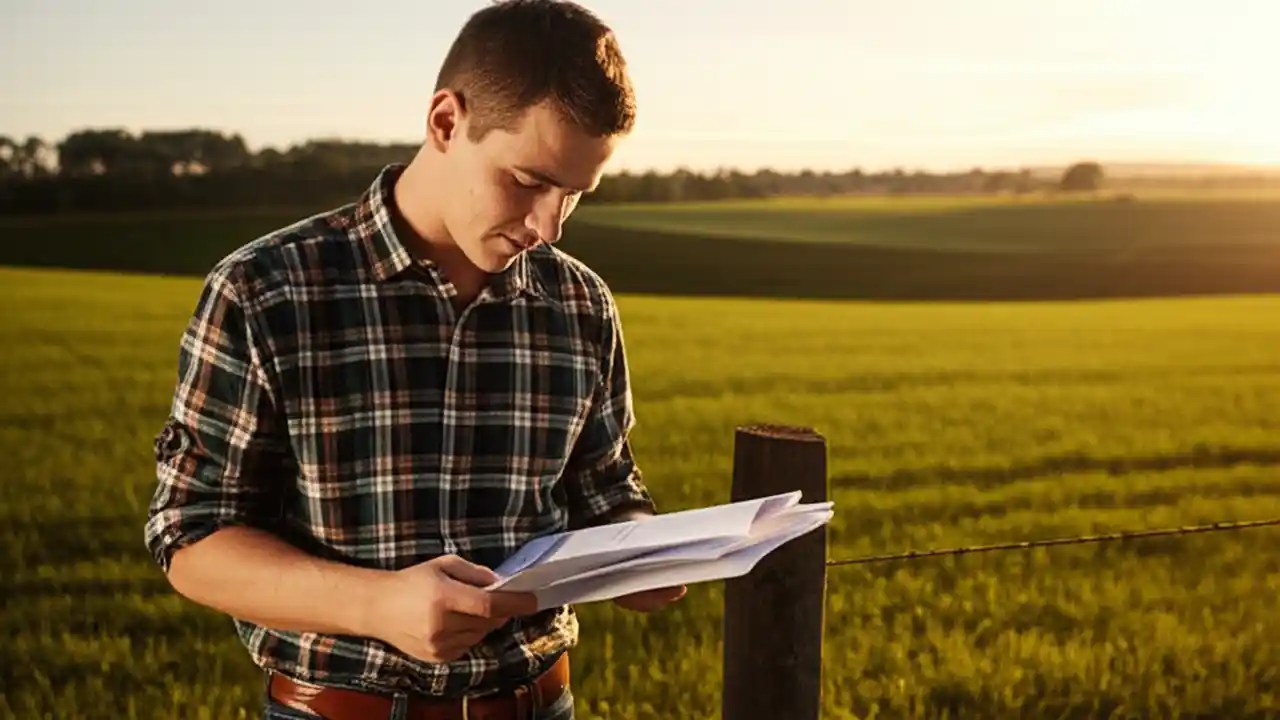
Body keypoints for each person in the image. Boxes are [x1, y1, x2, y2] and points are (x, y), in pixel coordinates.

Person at [143, 2, 685, 718]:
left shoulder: (581, 305)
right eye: (527, 181)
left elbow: (605, 487)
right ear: (445, 122)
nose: (548, 226)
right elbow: (192, 535)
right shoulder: (265, 290)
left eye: (576, 195)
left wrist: (641, 549)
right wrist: (378, 605)